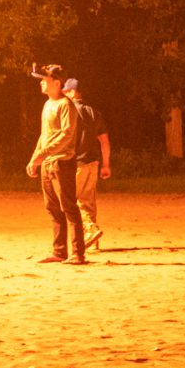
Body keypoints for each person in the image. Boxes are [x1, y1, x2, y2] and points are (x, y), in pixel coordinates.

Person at [24, 64, 86, 265]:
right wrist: (35, 157)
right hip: (48, 164)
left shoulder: (65, 105)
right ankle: (59, 251)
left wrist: (42, 154)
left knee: (68, 207)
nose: (41, 83)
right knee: (52, 208)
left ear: (57, 83)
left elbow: (66, 135)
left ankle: (78, 253)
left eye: (45, 80)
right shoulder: (47, 105)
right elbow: (45, 135)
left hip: (62, 163)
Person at [65, 77, 111, 253]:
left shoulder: (69, 111)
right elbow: (104, 141)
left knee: (71, 201)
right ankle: (92, 243)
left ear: (72, 92)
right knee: (88, 201)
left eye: (65, 92)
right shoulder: (94, 112)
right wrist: (105, 165)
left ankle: (90, 229)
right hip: (92, 162)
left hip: (76, 162)